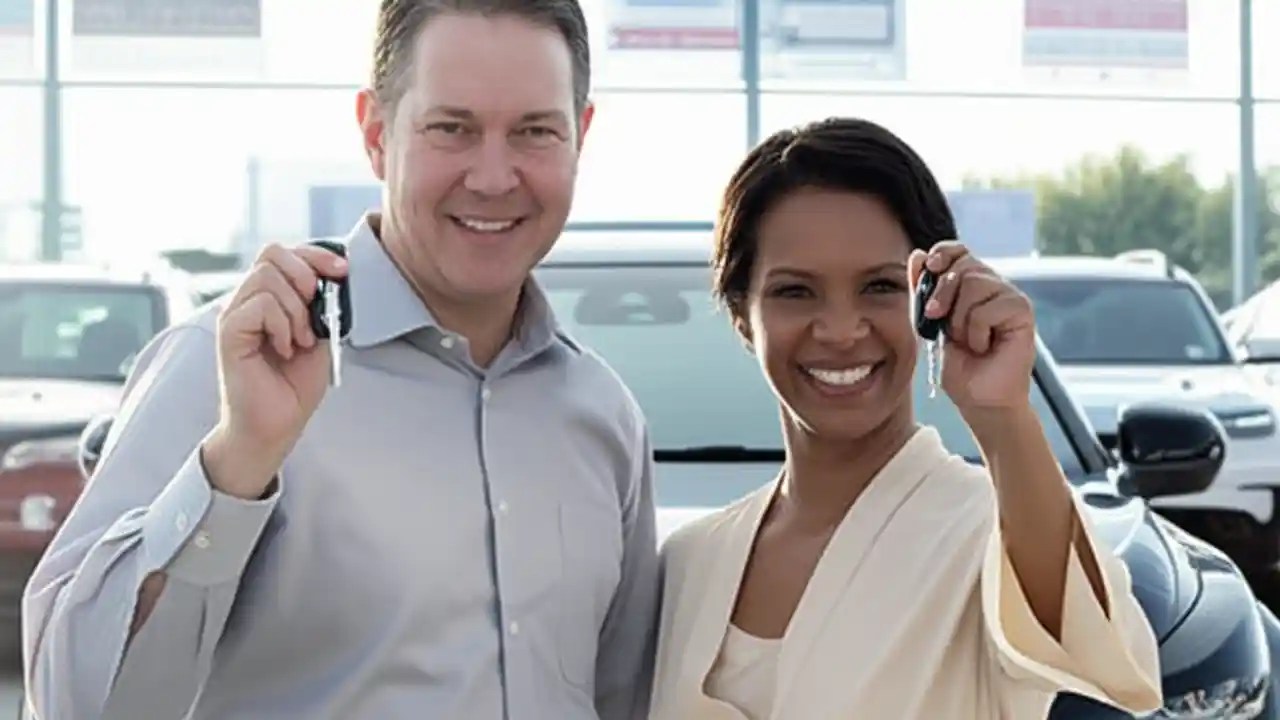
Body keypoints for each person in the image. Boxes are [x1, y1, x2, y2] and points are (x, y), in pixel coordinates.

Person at [22, 1, 660, 718]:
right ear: (376, 132)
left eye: (535, 132)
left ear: (582, 137)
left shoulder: (602, 416)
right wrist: (237, 463)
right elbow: (76, 701)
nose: (492, 176)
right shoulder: (229, 367)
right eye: (452, 128)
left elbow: (623, 698)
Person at [646, 118, 1164, 719]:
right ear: (742, 314)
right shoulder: (689, 562)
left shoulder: (989, 530)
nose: (841, 331)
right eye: (795, 292)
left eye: (880, 288)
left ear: (932, 301)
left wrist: (1003, 416)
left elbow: (1102, 654)